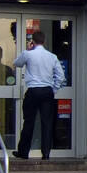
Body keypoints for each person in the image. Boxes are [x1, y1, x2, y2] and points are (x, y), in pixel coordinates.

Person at [11, 30, 65, 159]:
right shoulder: (52, 56)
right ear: (44, 41)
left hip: (33, 91)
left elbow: (17, 63)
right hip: (47, 91)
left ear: (32, 42)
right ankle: (46, 154)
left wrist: (28, 49)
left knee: (29, 122)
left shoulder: (28, 54)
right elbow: (60, 76)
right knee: (47, 123)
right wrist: (54, 89)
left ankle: (24, 152)